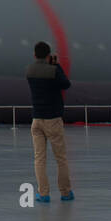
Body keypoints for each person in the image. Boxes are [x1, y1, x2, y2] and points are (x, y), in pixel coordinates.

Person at [26, 41, 73, 203]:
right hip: (52, 118)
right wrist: (57, 65)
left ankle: (43, 193)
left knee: (39, 158)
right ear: (48, 55)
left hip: (36, 119)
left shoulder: (29, 70)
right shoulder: (53, 70)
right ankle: (65, 192)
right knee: (61, 158)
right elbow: (66, 84)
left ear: (34, 55)